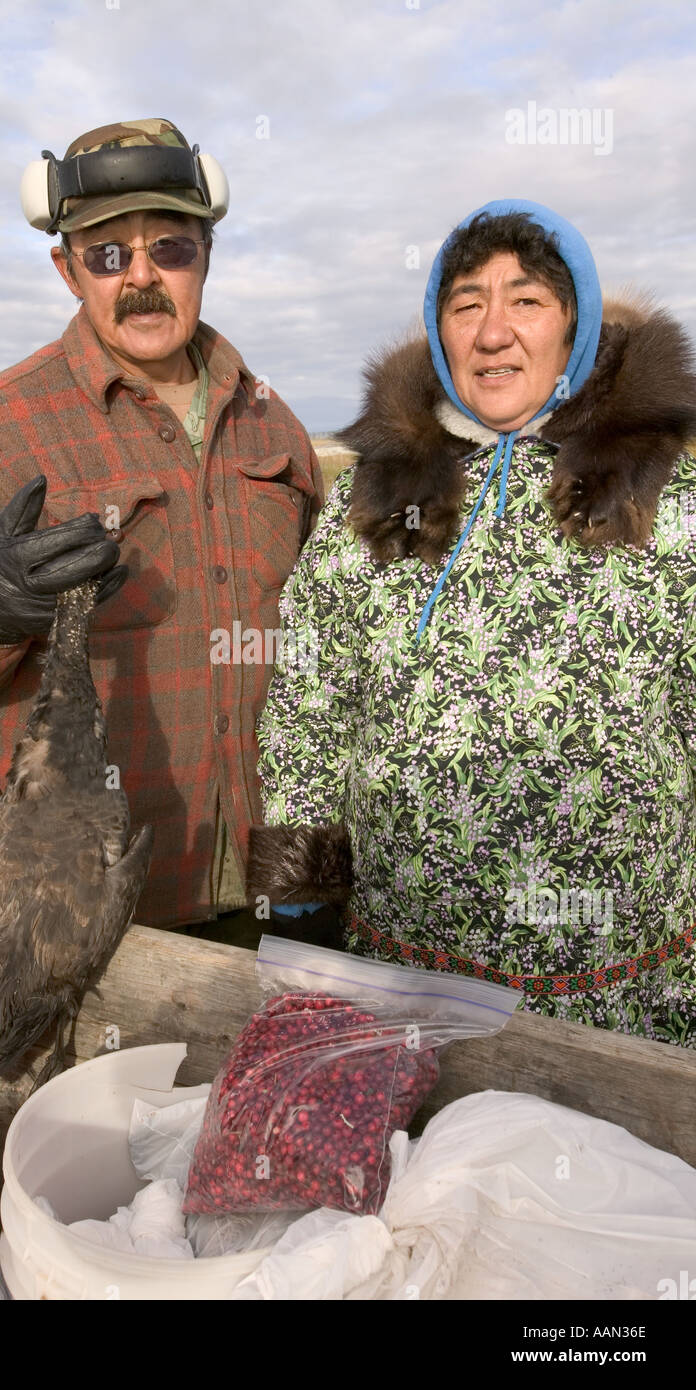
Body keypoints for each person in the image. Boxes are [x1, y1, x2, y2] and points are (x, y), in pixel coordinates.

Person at [246, 198, 696, 1046]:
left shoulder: (666, 505)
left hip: (626, 1007)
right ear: (440, 332)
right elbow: (310, 715)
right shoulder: (371, 505)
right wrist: (301, 917)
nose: (493, 332)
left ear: (577, 326)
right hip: (405, 1001)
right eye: (465, 305)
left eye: (526, 300)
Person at [0, 118, 324, 932]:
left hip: (278, 888)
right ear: (68, 270)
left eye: (170, 249)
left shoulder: (272, 424)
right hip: (86, 914)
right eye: (108, 253)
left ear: (207, 256)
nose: (140, 277)